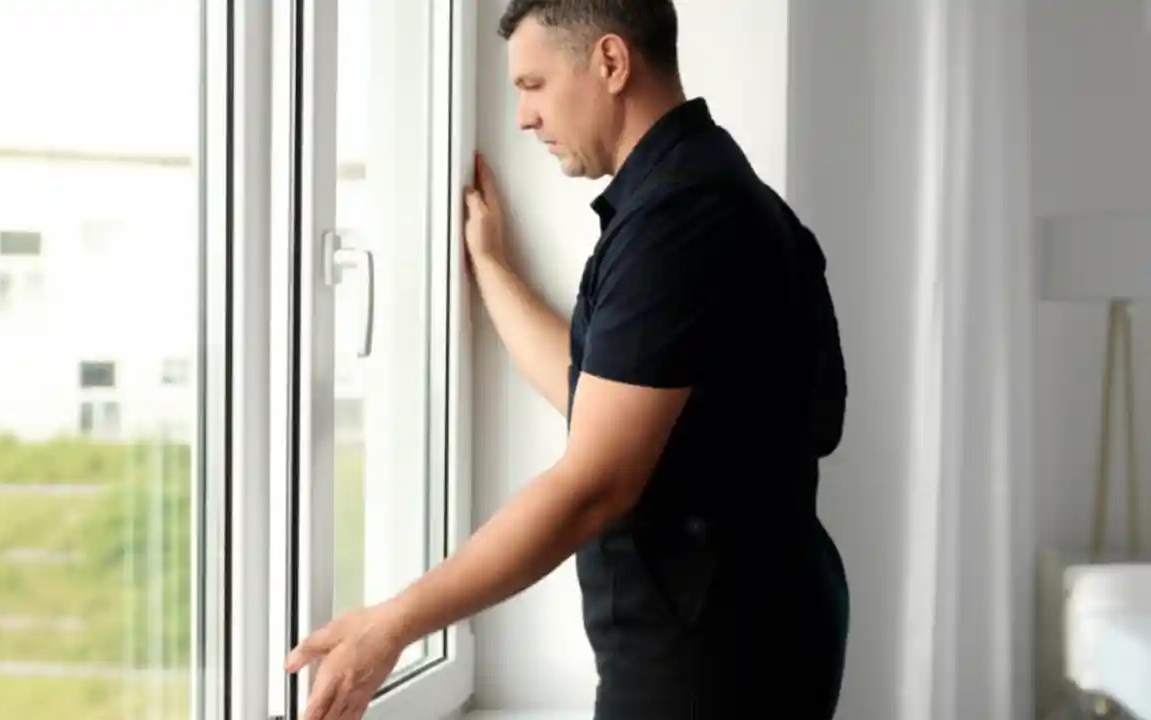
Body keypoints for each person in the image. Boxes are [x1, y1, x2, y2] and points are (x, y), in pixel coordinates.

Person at [285, 1, 850, 717]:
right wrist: (492, 270)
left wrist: (392, 624)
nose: (523, 117)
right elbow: (604, 395)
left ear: (611, 63)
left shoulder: (684, 219)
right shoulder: (699, 193)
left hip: (712, 658)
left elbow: (595, 481)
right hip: (741, 627)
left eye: (532, 85)